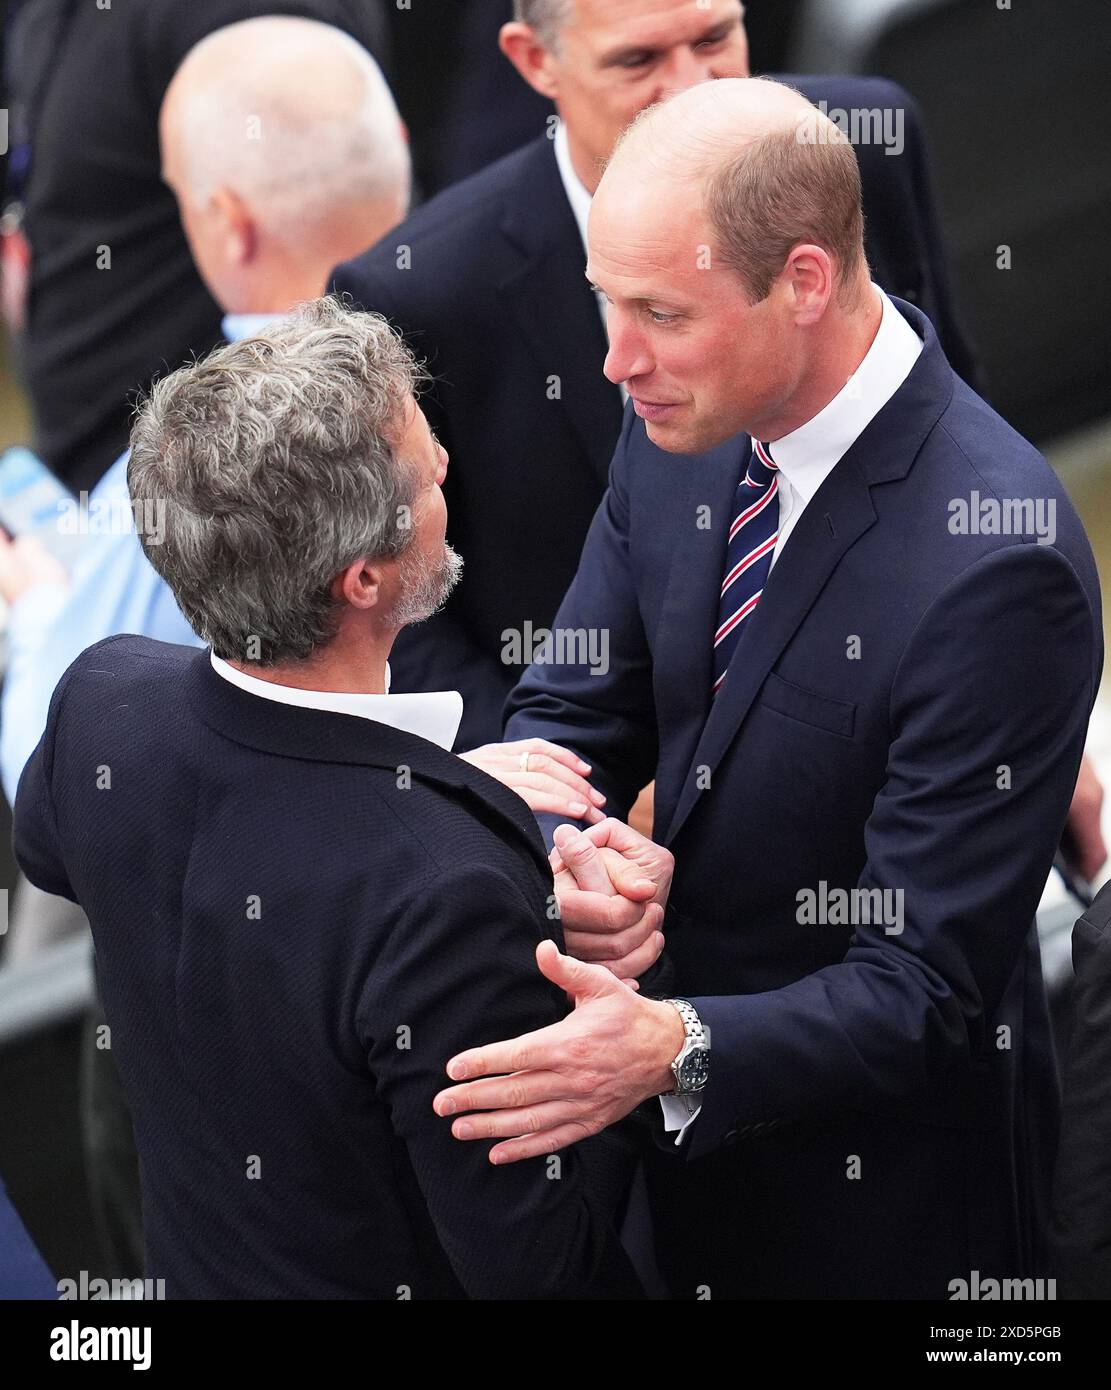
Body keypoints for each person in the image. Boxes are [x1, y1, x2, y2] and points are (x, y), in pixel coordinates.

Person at [432, 77, 1103, 1300]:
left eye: (659, 314)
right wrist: (573, 850)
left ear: (802, 282)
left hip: (885, 1224)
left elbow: (924, 988)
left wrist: (672, 1046)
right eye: (604, 304)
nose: (614, 359)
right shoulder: (680, 413)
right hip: (665, 1182)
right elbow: (571, 707)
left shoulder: (998, 569)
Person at [12, 297, 643, 1300]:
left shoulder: (102, 706)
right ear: (363, 578)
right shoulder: (450, 893)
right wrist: (615, 1016)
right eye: (422, 457)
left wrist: (448, 785)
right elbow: (542, 1265)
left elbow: (71, 847)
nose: (443, 467)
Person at [330, 0, 979, 753]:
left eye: (714, 39)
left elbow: (950, 418)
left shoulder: (858, 143)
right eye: (637, 61)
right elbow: (389, 614)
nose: (690, 87)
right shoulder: (421, 292)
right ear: (535, 60)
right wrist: (565, 787)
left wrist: (1005, 704)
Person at [2, 0, 389, 494]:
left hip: (224, 496)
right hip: (80, 474)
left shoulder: (247, 15)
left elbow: (322, 248)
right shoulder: (50, 16)